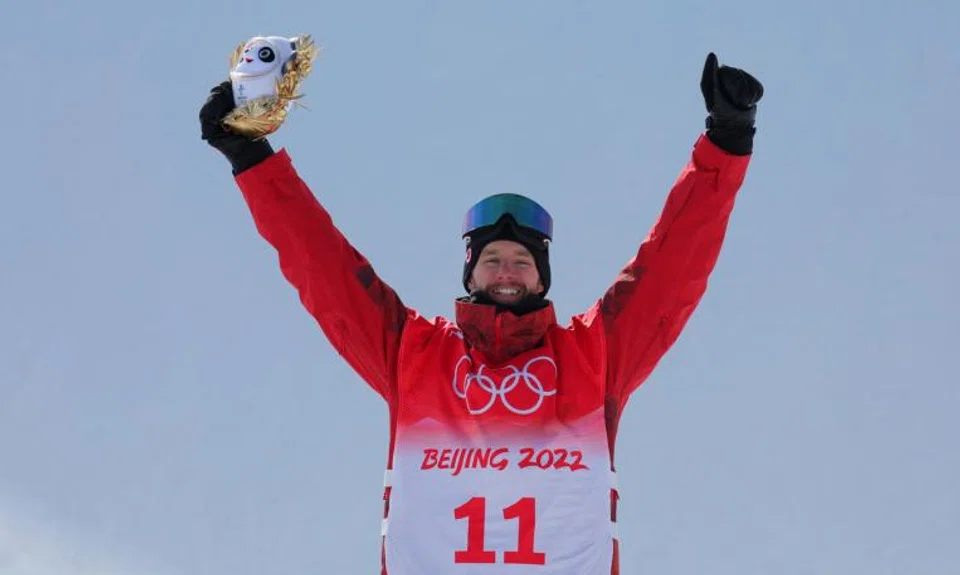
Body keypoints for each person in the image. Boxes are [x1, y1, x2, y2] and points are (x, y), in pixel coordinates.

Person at [200, 51, 763, 575]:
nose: (507, 272)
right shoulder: (414, 354)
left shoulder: (593, 357)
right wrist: (250, 158)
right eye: (492, 260)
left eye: (522, 260)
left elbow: (670, 269)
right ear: (470, 273)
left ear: (543, 275)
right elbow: (323, 267)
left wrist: (726, 142)